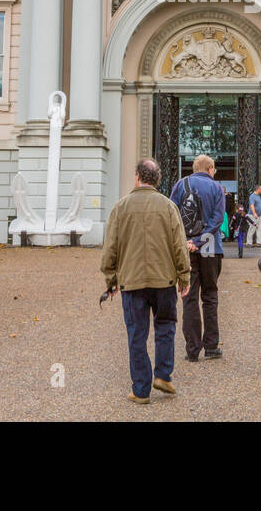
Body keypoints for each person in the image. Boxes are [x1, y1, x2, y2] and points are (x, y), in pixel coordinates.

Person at [100, 159, 191, 403]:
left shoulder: (120, 207)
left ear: (138, 177)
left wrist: (110, 279)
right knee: (166, 327)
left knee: (137, 335)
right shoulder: (168, 206)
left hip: (132, 281)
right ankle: (163, 375)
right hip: (164, 280)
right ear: (156, 179)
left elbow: (110, 248)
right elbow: (179, 245)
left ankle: (141, 389)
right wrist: (184, 275)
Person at [170, 154, 226, 361]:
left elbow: (172, 214)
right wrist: (202, 240)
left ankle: (192, 350)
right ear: (210, 169)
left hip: (186, 247)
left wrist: (188, 241)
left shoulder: (180, 184)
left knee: (189, 296)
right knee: (210, 296)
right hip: (211, 248)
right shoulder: (216, 188)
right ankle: (211, 347)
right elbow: (218, 218)